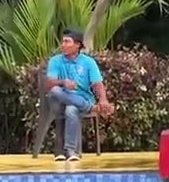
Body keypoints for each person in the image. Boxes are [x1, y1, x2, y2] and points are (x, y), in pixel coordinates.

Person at [36, 29, 115, 162]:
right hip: (60, 99)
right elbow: (49, 85)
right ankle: (90, 108)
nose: (63, 45)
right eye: (63, 41)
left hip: (82, 97)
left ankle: (71, 151)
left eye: (67, 42)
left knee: (71, 109)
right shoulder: (56, 61)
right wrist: (63, 82)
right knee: (55, 90)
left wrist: (103, 99)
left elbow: (97, 82)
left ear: (78, 44)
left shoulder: (88, 62)